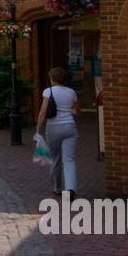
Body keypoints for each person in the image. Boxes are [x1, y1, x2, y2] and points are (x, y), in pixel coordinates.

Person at [36, 65, 79, 198]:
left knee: (55, 159)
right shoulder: (71, 92)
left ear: (52, 79)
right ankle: (70, 189)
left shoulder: (48, 92)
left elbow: (43, 112)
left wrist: (38, 129)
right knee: (69, 160)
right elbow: (76, 111)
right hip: (70, 127)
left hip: (53, 128)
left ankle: (57, 188)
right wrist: (69, 111)